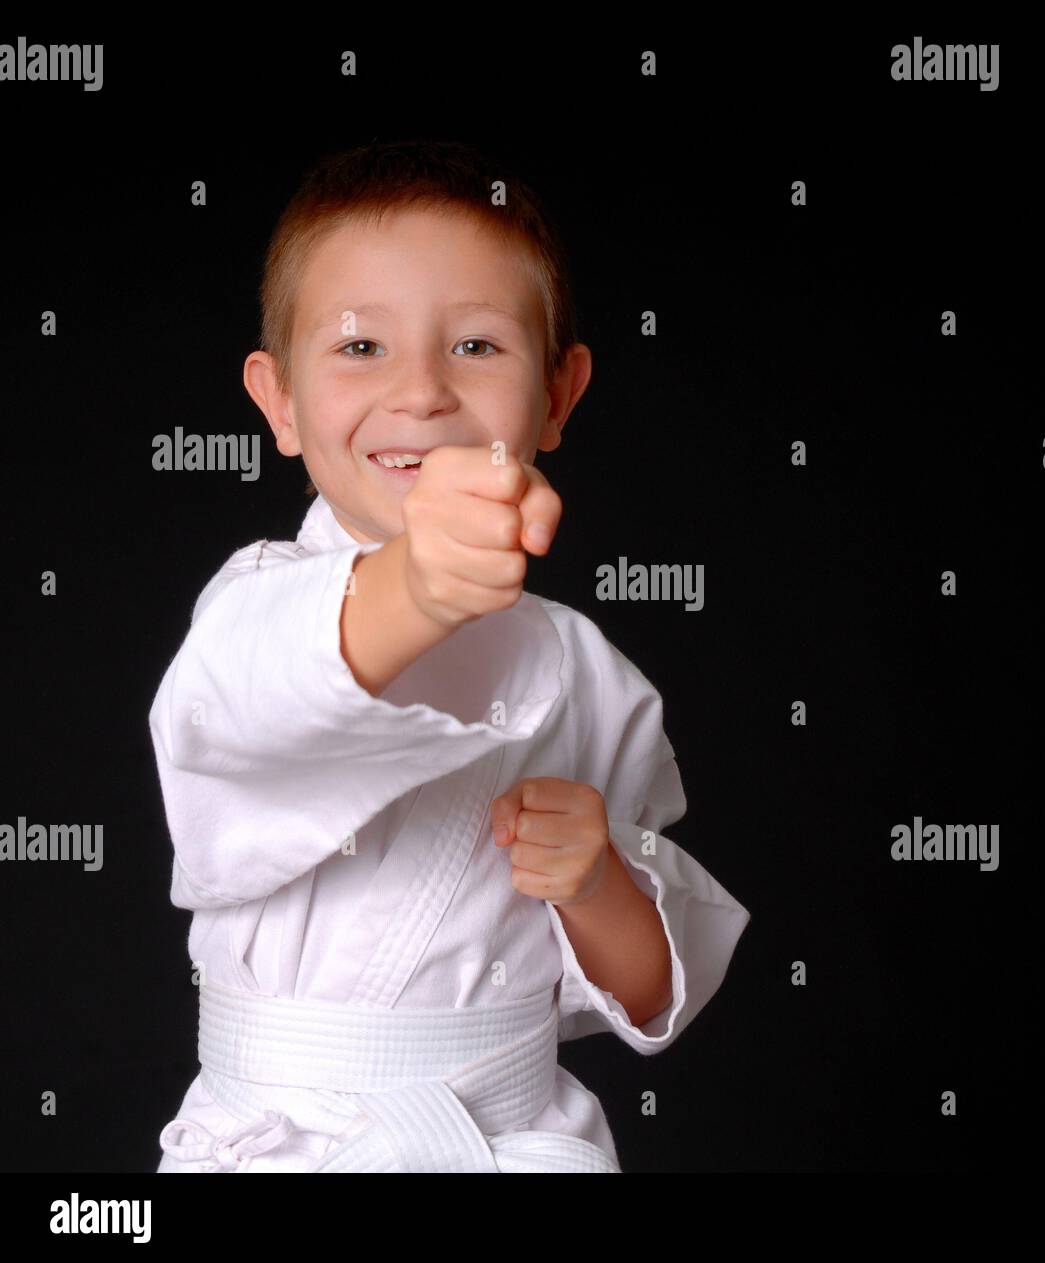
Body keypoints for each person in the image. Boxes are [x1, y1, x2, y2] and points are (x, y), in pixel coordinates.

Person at [150, 138, 750, 1173]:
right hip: (282, 1148)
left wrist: (597, 881)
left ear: (558, 394)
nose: (422, 392)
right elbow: (240, 705)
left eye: (476, 346)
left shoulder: (592, 678)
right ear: (279, 401)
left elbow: (652, 994)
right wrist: (418, 582)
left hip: (510, 1143)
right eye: (358, 347)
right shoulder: (251, 612)